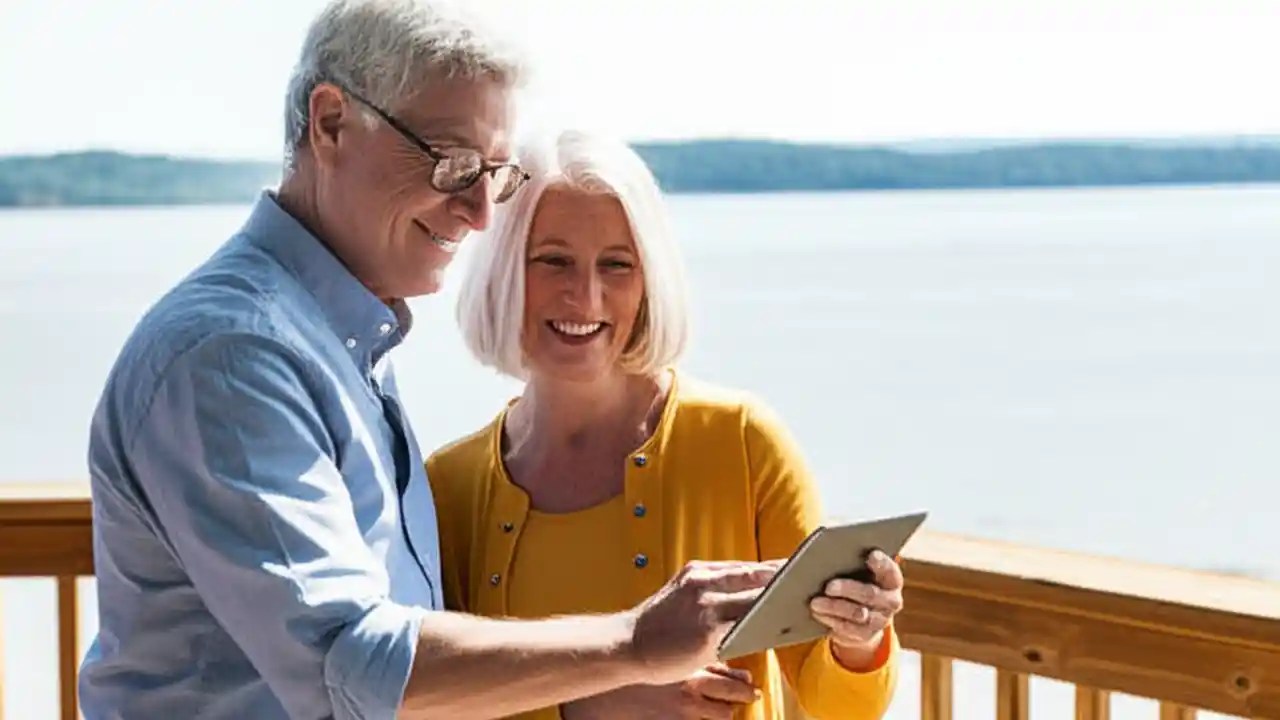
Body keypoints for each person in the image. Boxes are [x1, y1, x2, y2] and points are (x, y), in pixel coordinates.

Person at [78, 2, 782, 718]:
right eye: (453, 164)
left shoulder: (333, 341)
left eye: (496, 175)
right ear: (331, 124)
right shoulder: (234, 356)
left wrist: (604, 691)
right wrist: (634, 642)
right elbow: (349, 663)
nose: (480, 214)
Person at [426, 129, 905, 720]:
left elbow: (845, 708)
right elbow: (421, 698)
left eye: (617, 265)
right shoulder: (448, 486)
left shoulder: (742, 441)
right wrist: (595, 698)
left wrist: (857, 641)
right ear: (502, 273)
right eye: (553, 260)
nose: (586, 295)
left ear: (650, 282)